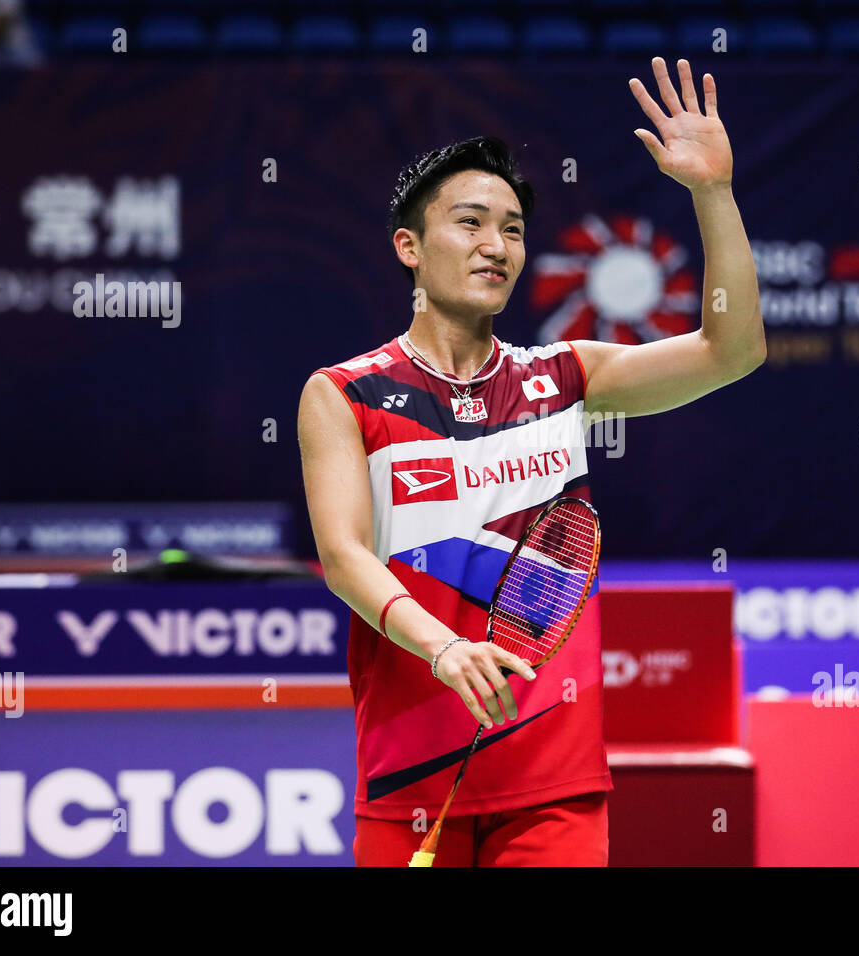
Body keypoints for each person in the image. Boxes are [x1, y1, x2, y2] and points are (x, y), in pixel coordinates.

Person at [297, 57, 765, 866]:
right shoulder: (348, 393)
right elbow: (343, 558)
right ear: (409, 246)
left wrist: (712, 194)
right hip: (412, 777)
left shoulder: (564, 379)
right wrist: (442, 647)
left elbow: (733, 351)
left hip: (554, 786)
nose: (497, 246)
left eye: (512, 229)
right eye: (470, 223)